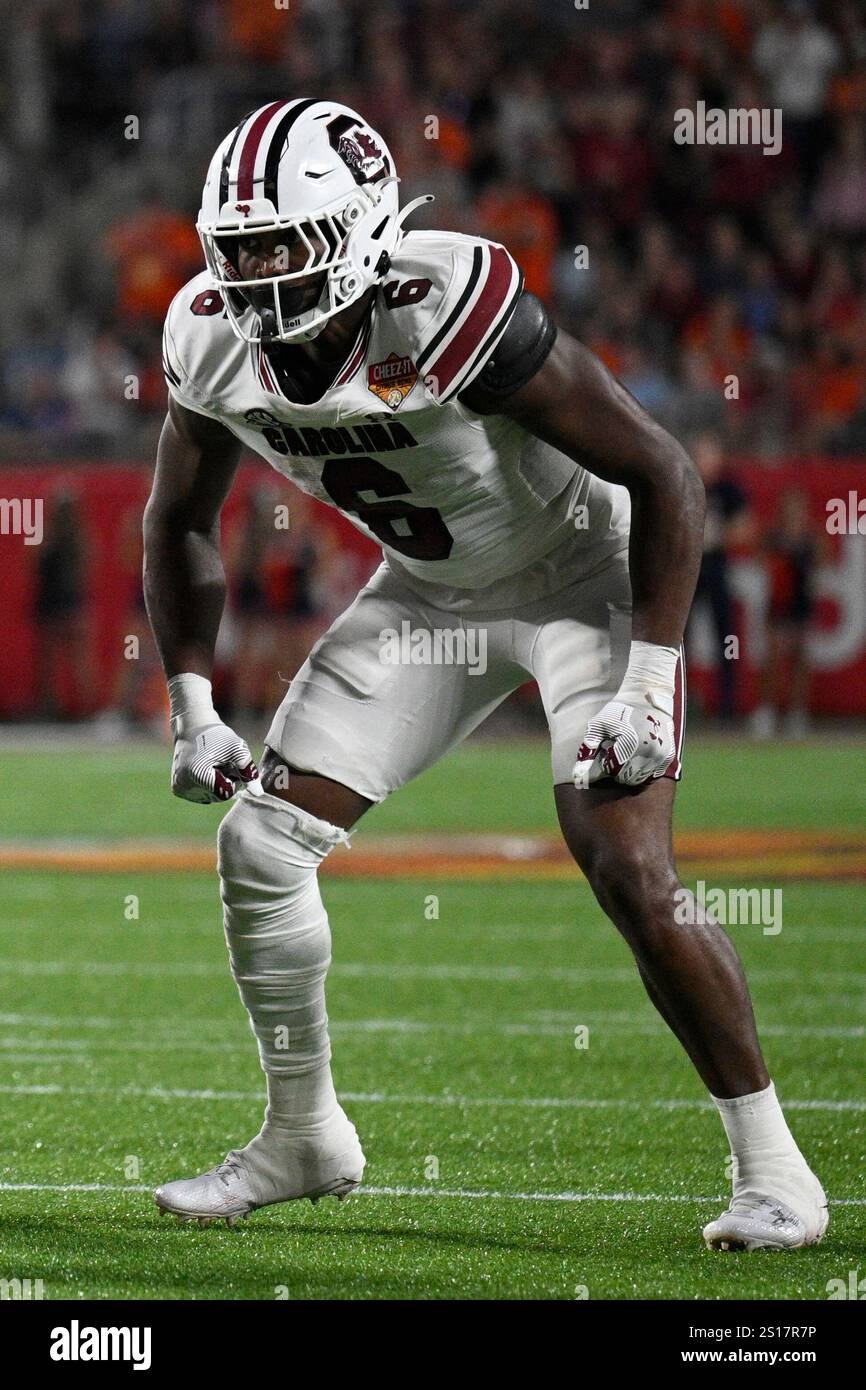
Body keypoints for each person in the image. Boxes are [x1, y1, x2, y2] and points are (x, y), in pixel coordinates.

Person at [143, 100, 826, 1250]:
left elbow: (664, 473)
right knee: (258, 841)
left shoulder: (453, 306)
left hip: (584, 576)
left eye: (280, 246)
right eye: (237, 251)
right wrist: (194, 703)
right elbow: (178, 521)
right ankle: (304, 1135)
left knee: (621, 860)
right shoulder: (210, 338)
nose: (254, 279)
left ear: (359, 229)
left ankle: (777, 1174)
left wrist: (649, 675)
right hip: (430, 594)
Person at [751, 489, 821, 740]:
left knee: (800, 658)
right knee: (772, 658)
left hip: (801, 605)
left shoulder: (811, 537)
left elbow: (824, 561)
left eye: (798, 507)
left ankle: (796, 713)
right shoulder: (773, 536)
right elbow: (759, 559)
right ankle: (767, 710)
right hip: (778, 604)